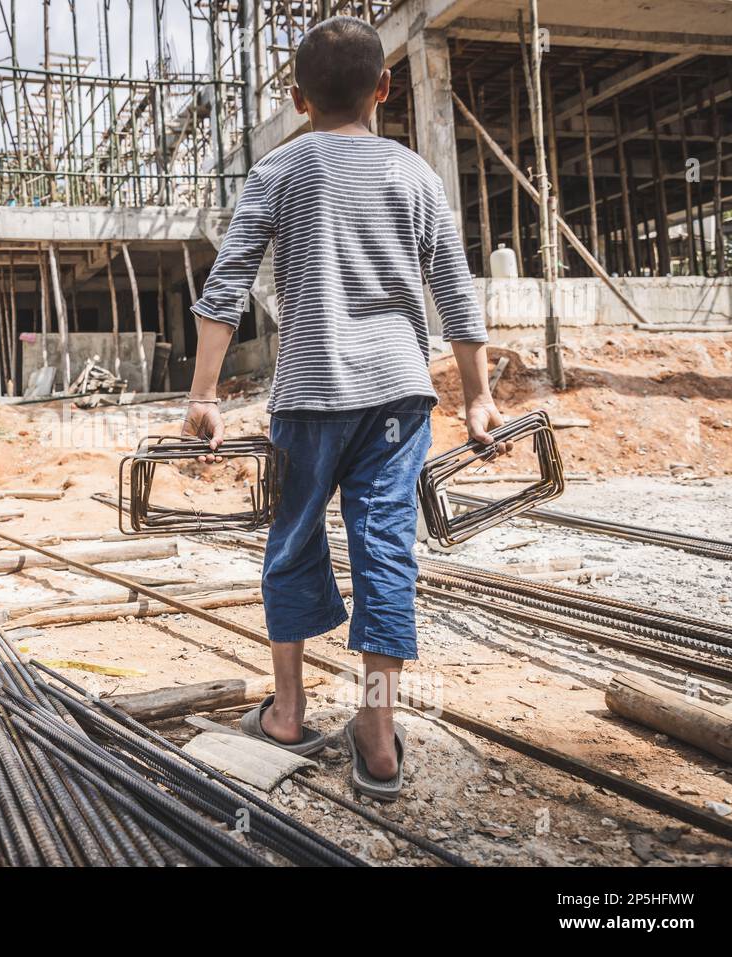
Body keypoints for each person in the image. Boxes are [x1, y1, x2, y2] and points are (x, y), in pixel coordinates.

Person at [183, 16, 509, 802]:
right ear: (385, 87)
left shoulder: (278, 172)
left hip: (311, 391)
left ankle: (288, 712)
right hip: (401, 394)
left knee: (293, 539)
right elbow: (455, 295)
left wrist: (201, 396)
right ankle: (376, 731)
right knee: (385, 546)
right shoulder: (415, 176)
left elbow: (224, 291)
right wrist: (481, 398)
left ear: (297, 100)